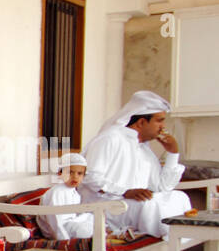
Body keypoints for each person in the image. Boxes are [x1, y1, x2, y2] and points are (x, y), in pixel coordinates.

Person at [81, 91, 190, 238]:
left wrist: (173, 153)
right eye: (159, 121)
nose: (163, 127)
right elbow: (89, 177)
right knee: (153, 206)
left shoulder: (143, 148)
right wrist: (126, 191)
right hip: (104, 206)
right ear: (141, 122)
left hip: (131, 205)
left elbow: (162, 188)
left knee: (179, 197)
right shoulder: (110, 138)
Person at [36, 153, 96, 242]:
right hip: (58, 230)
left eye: (79, 173)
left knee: (91, 217)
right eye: (70, 172)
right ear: (60, 173)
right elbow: (54, 221)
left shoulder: (74, 192)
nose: (75, 177)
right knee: (84, 229)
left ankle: (99, 235)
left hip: (69, 224)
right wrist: (64, 241)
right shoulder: (56, 193)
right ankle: (98, 237)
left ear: (83, 176)